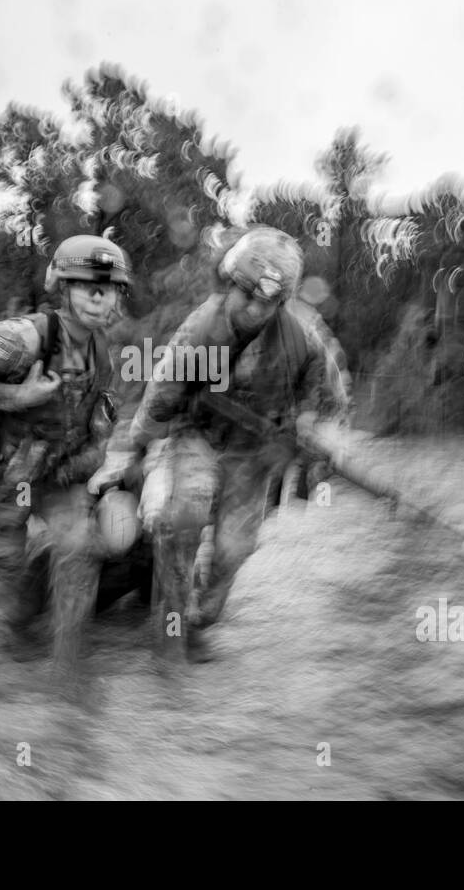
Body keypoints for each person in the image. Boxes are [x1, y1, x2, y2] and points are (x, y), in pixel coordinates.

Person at [89, 226, 351, 663]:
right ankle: (170, 630)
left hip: (254, 453)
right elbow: (162, 396)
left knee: (234, 548)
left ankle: (200, 618)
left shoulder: (303, 337)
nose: (252, 308)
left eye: (265, 301)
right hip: (197, 437)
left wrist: (322, 438)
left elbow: (332, 400)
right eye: (245, 293)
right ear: (228, 284)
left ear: (280, 303)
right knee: (184, 511)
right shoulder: (200, 331)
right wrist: (133, 452)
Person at [0, 235, 132, 676]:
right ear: (62, 287)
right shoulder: (20, 338)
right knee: (16, 609)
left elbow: (96, 430)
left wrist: (91, 460)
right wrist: (16, 396)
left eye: (110, 288)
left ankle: (69, 667)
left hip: (52, 475)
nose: (100, 298)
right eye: (86, 286)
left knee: (79, 546)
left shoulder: (102, 357)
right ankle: (19, 626)